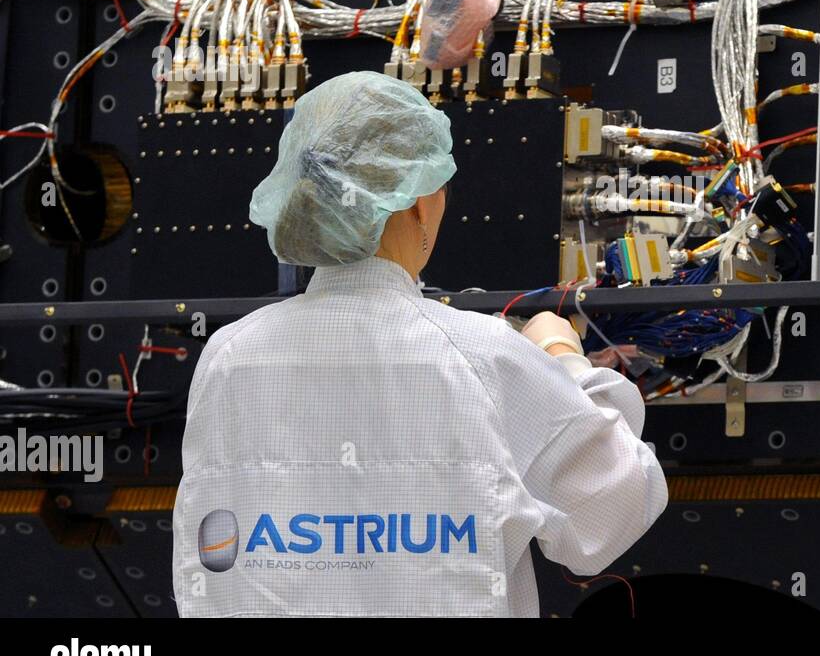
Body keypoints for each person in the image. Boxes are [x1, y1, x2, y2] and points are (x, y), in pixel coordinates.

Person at [171, 71, 668, 617]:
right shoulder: (483, 357)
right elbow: (613, 509)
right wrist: (562, 356)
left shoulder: (228, 356)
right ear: (416, 200)